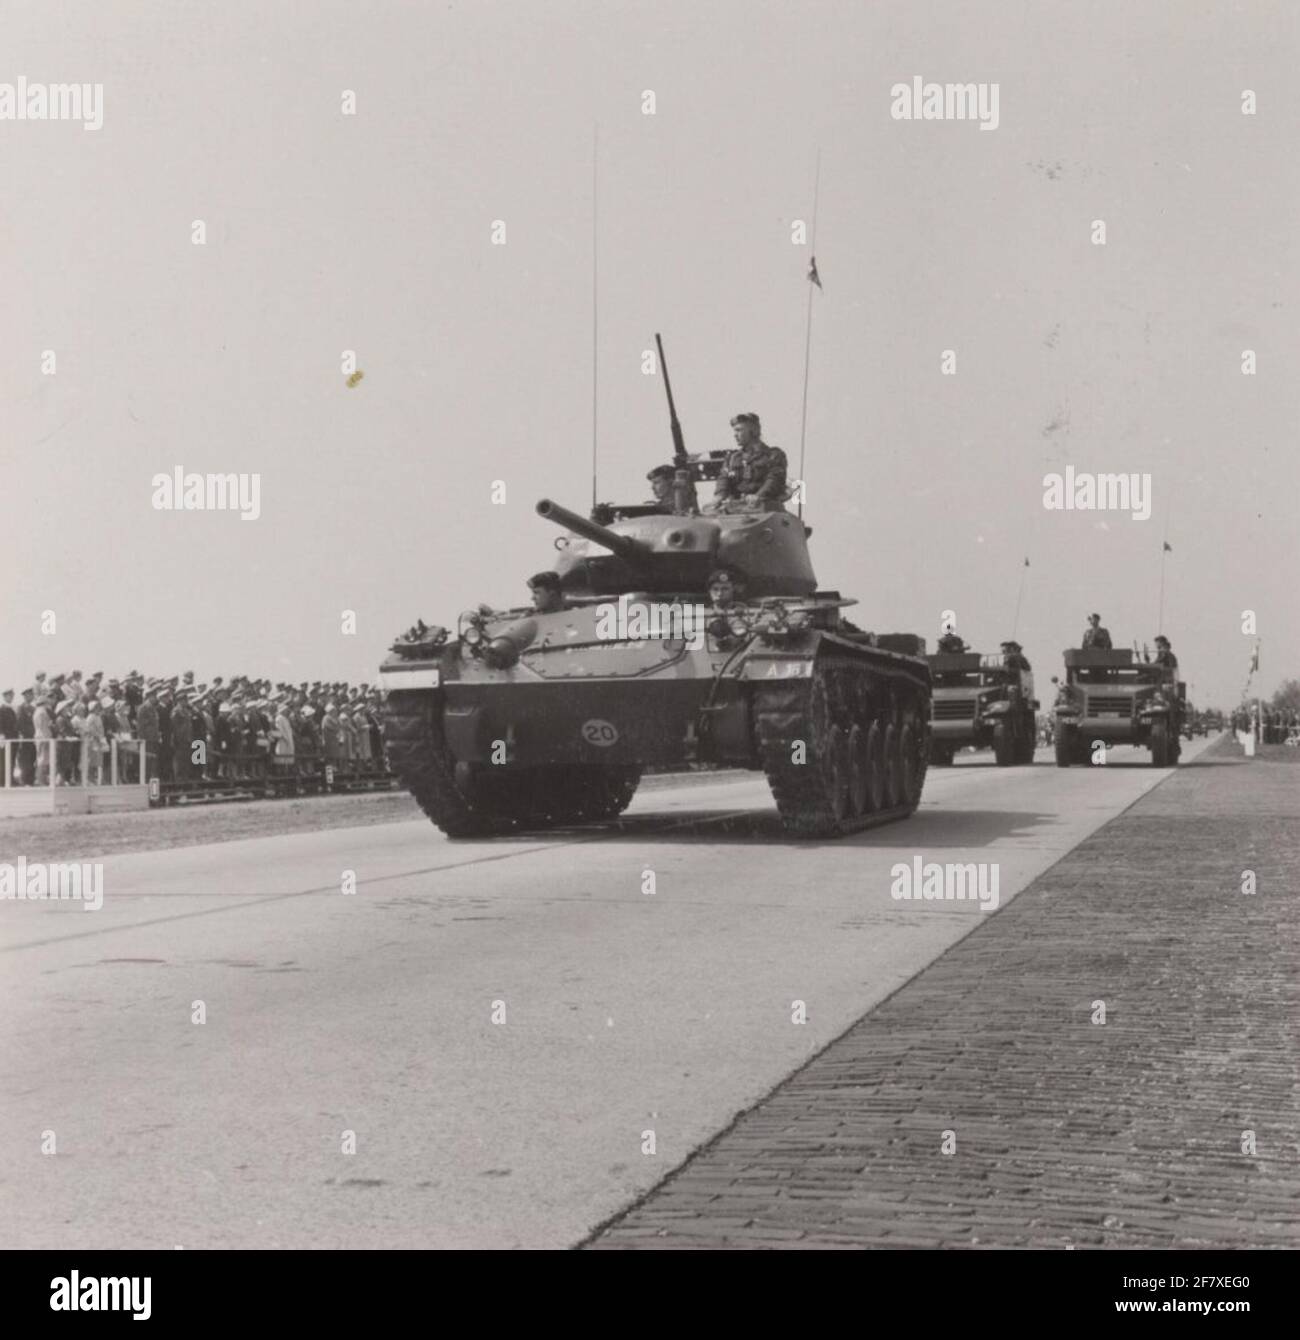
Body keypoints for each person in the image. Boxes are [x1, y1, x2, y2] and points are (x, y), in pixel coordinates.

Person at [708, 413, 788, 512]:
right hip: (736, 509)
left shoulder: (773, 455)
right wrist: (719, 495)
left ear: (753, 431)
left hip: (766, 508)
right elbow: (724, 478)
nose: (735, 435)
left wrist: (759, 495)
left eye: (739, 430)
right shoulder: (732, 458)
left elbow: (774, 479)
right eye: (734, 430)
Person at [0, 690, 16, 786]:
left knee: (11, 759)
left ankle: (10, 779)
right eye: (9, 695)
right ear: (5, 696)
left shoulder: (11, 708)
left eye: (12, 695)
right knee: (3, 759)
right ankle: (2, 780)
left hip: (12, 737)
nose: (11, 697)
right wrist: (1, 734)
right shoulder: (2, 709)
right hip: (5, 738)